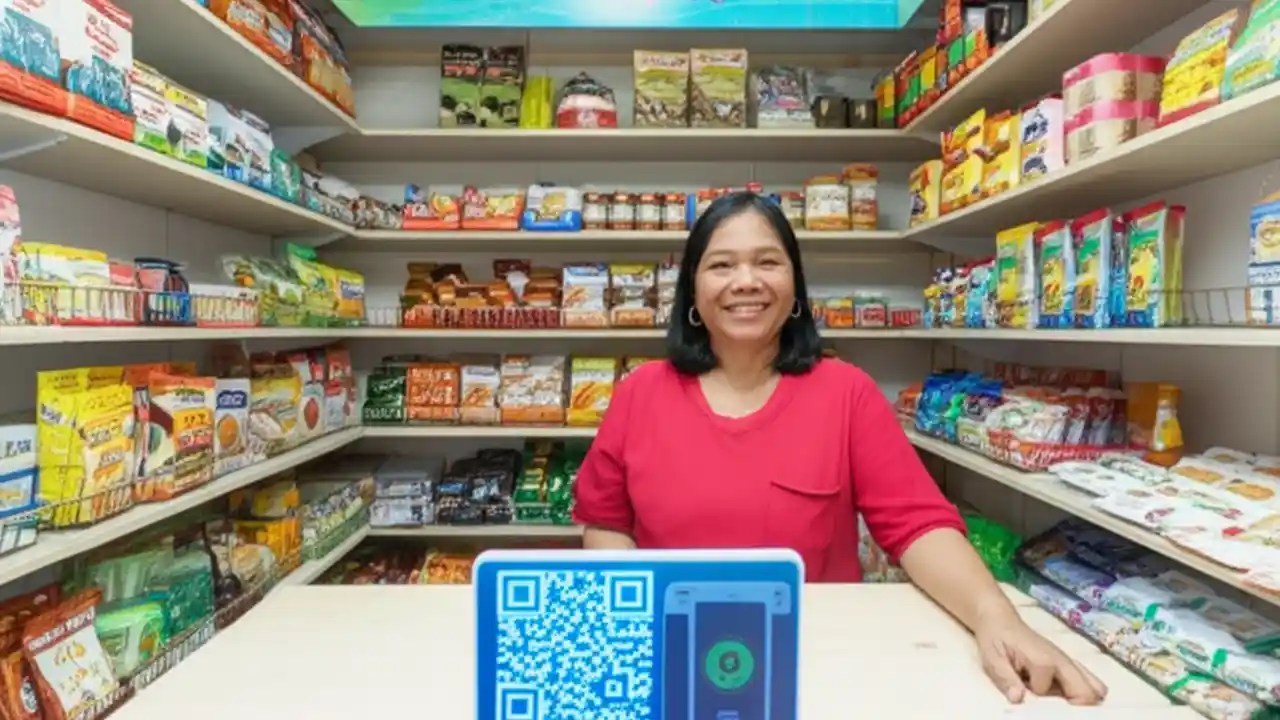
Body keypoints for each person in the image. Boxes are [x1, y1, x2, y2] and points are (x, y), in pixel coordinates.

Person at [572, 191, 1108, 706]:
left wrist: (996, 615)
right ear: (692, 288)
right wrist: (632, 624)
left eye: (767, 262)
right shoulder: (641, 393)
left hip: (815, 659)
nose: (746, 282)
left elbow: (917, 525)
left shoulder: (845, 392)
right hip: (674, 654)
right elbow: (605, 520)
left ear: (795, 283)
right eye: (721, 266)